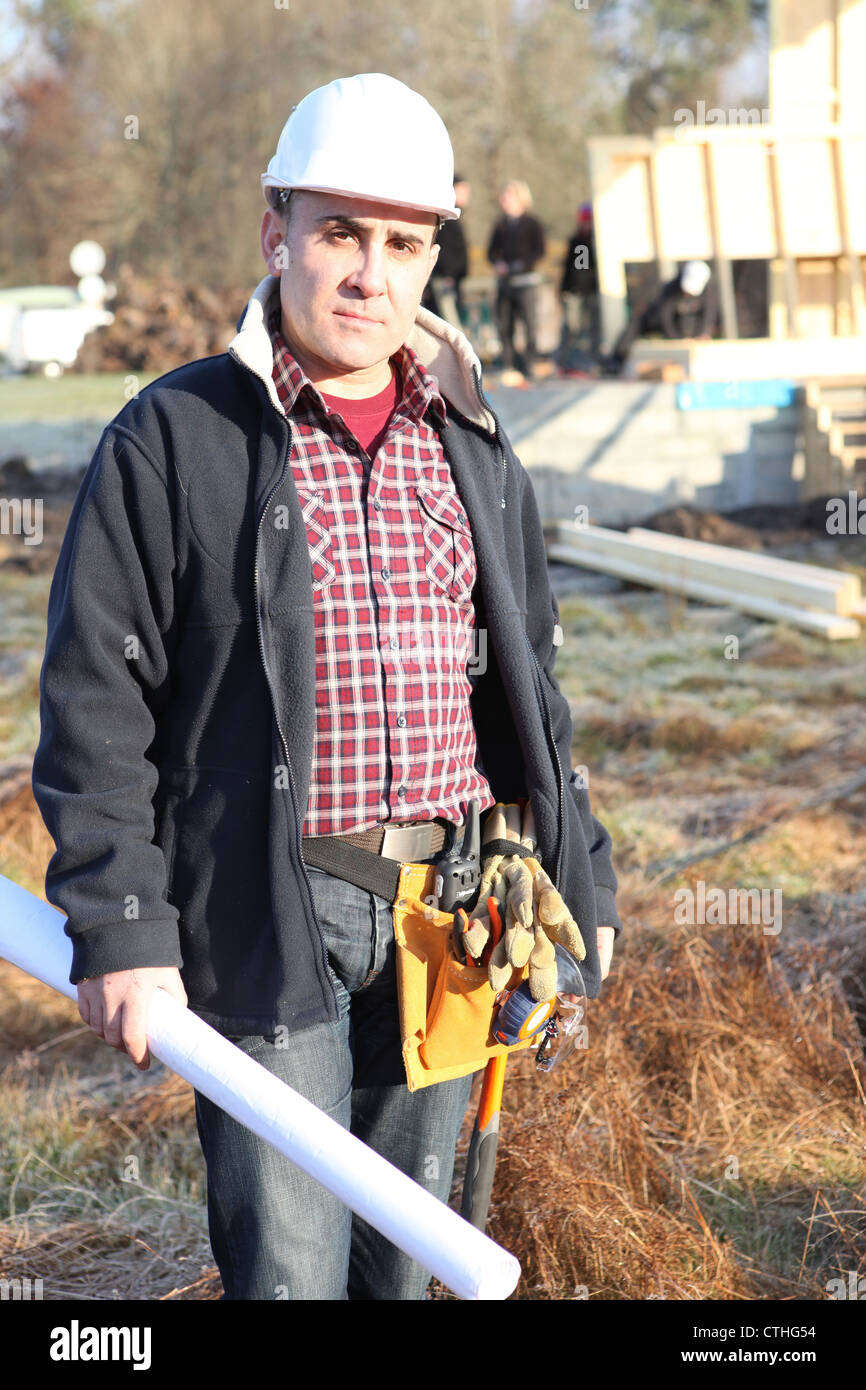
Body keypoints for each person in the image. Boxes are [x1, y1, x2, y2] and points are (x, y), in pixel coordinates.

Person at [31, 73, 622, 1301]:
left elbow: (529, 684)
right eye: (339, 233)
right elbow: (98, 704)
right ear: (275, 234)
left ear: (434, 254)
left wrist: (581, 866)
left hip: (447, 916)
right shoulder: (176, 437)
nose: (369, 273)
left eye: (403, 242)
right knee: (289, 1271)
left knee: (403, 1268)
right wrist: (123, 923)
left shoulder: (470, 436)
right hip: (262, 908)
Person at [603, 259, 719, 375]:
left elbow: (709, 315)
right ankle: (616, 360)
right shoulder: (672, 288)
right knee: (637, 321)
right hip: (670, 328)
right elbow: (665, 316)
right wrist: (676, 338)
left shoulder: (709, 292)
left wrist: (701, 334)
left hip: (690, 328)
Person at [487, 180, 546, 384]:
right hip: (505, 284)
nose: (504, 201)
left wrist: (521, 264)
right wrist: (498, 263)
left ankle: (529, 364)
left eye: (508, 196)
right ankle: (509, 364)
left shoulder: (533, 224)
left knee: (529, 324)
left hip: (526, 282)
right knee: (505, 325)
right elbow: (491, 252)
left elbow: (539, 251)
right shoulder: (500, 224)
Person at [422, 173, 470, 330]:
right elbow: (445, 250)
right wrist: (448, 273)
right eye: (462, 190)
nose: (467, 194)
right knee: (449, 324)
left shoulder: (455, 217)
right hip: (444, 280)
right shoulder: (446, 218)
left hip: (451, 279)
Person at [557, 201, 600, 371]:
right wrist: (565, 289)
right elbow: (574, 268)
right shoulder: (579, 241)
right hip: (577, 292)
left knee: (591, 327)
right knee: (572, 327)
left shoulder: (593, 241)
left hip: (591, 292)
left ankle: (591, 359)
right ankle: (565, 360)